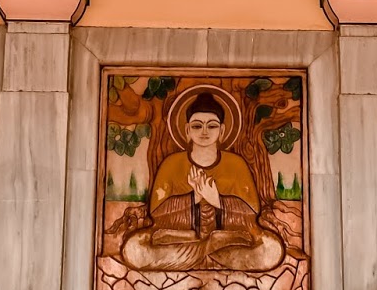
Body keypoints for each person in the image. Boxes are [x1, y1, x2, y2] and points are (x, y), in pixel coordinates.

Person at [120, 91, 285, 272]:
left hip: (228, 242)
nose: (204, 132)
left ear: (222, 131)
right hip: (181, 241)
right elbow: (157, 214)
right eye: (197, 126)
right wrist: (194, 199)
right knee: (133, 248)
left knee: (272, 249)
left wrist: (218, 201)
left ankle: (202, 253)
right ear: (187, 131)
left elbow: (251, 214)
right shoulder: (171, 164)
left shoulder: (236, 164)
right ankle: (208, 252)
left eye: (212, 126)